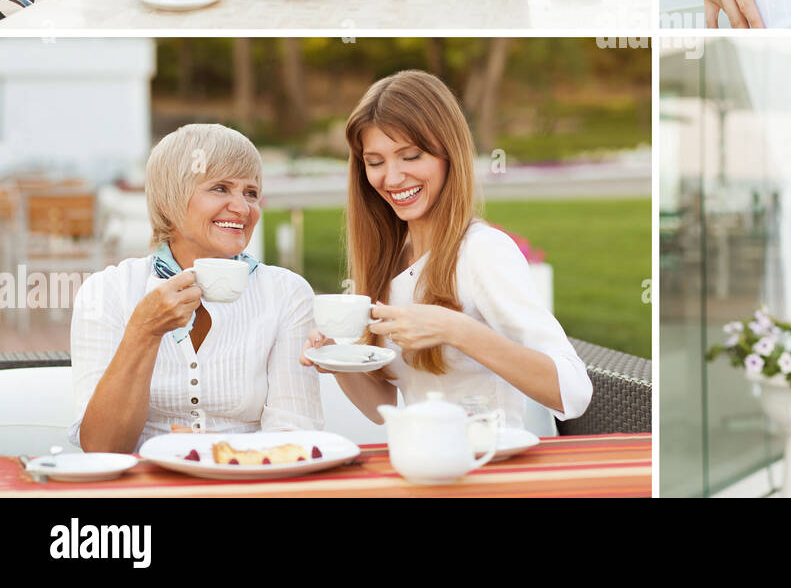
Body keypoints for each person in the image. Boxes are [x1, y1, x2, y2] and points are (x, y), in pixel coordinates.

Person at [302, 70, 590, 431]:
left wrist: (455, 329)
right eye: (375, 162)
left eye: (410, 156)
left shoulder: (482, 251)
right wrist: (335, 360)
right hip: (425, 462)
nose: (391, 178)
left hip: (489, 469)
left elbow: (574, 391)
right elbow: (382, 405)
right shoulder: (390, 258)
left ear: (448, 154)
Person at [70, 124, 322, 452]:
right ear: (168, 200)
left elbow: (296, 437)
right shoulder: (107, 291)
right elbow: (102, 448)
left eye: (250, 192)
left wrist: (213, 449)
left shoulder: (287, 293)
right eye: (220, 188)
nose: (243, 208)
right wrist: (143, 332)